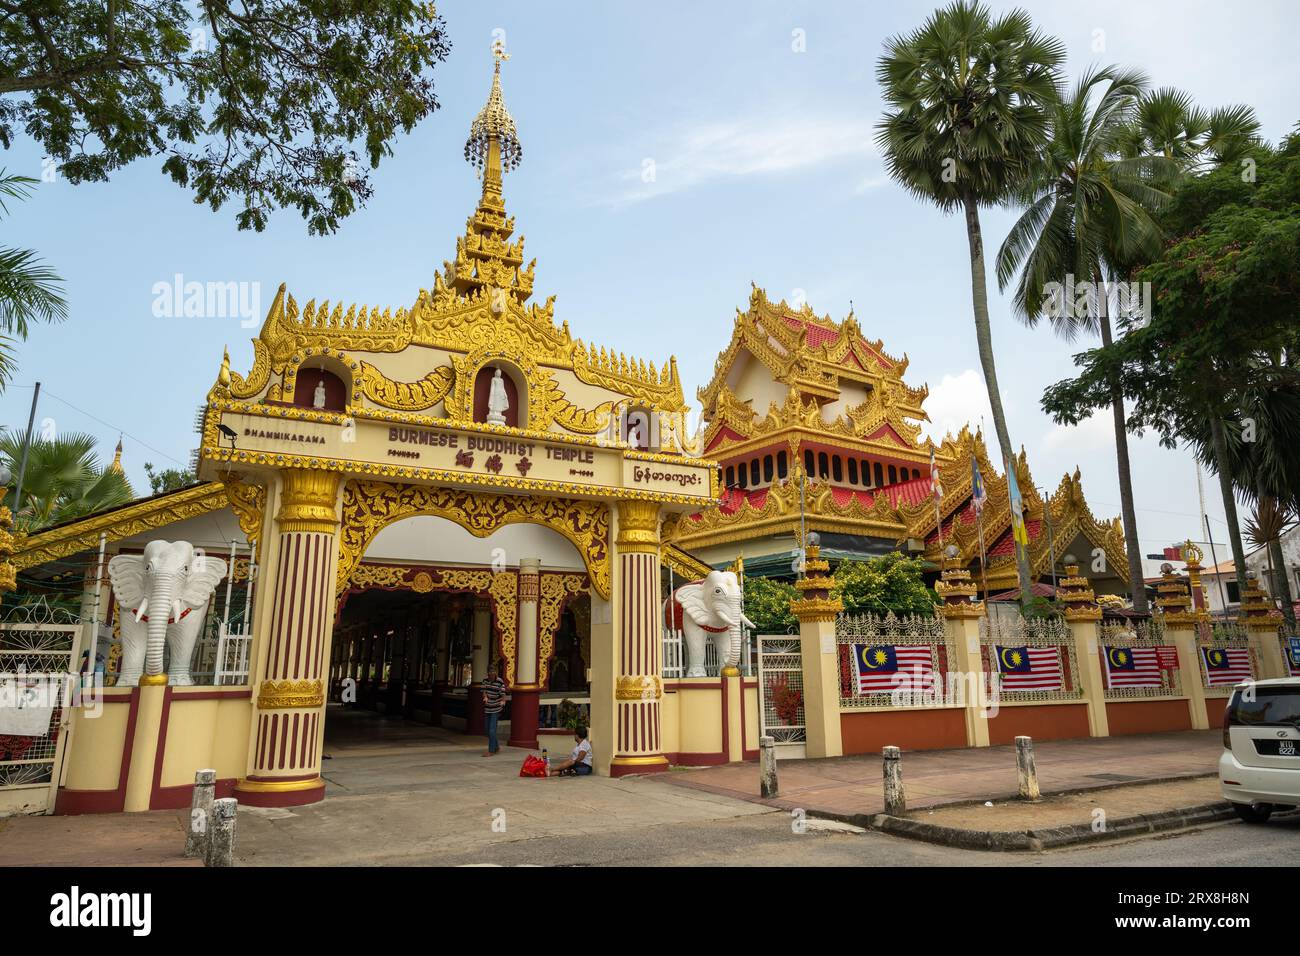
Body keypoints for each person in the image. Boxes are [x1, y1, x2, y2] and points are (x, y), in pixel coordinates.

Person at [481, 663, 508, 757]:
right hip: (488, 707)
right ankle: (496, 746)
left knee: (492, 730)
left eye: (493, 671)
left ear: (495, 672)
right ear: (488, 673)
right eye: (490, 671)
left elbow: (503, 693)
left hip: (496, 707)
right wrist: (485, 697)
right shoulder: (485, 680)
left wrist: (503, 700)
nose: (492, 673)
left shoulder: (500, 681)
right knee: (487, 730)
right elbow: (484, 691)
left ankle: (491, 750)